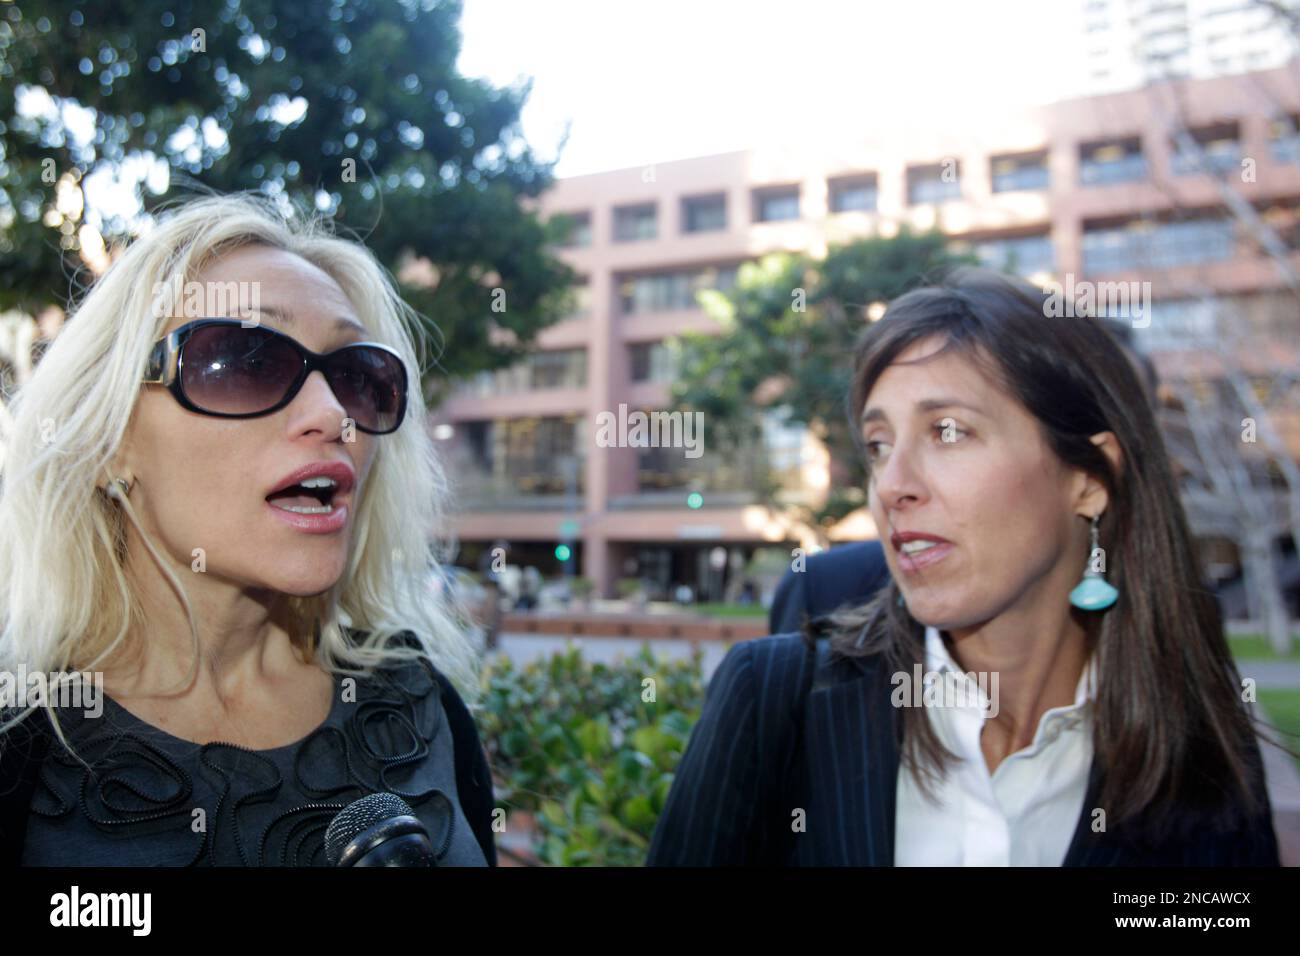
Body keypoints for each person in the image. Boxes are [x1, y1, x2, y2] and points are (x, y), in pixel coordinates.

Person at [648, 267, 1281, 866]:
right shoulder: (771, 703)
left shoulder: (1203, 754)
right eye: (877, 445)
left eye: (948, 431)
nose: (892, 485)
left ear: (1090, 480)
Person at [0, 194, 495, 866]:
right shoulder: (20, 740)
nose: (331, 415)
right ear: (109, 443)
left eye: (356, 377)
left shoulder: (418, 706)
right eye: (247, 361)